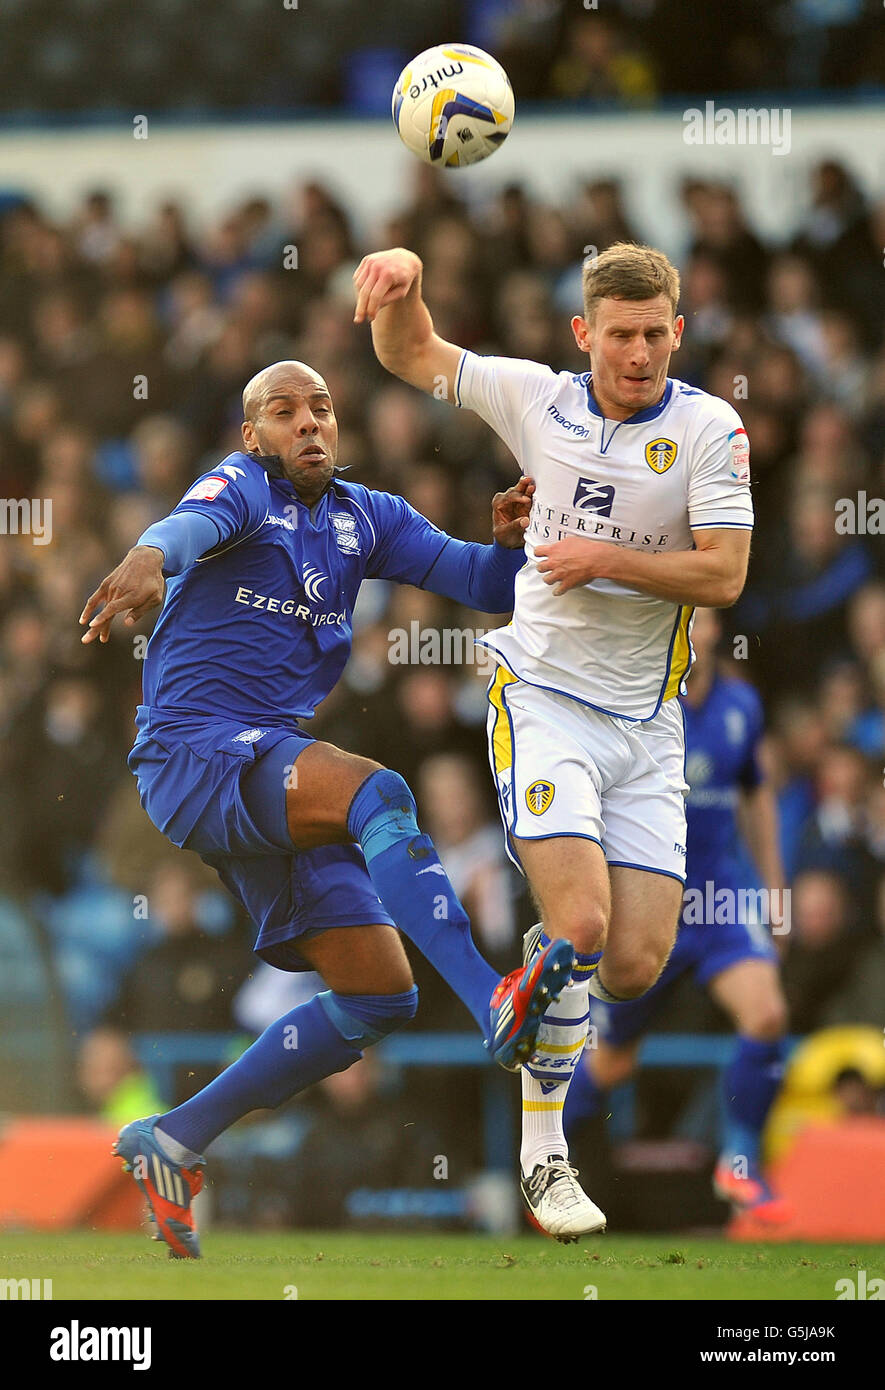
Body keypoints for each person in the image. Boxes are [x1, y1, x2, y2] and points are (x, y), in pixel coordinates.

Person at [80, 358, 574, 1258]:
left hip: (264, 767)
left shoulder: (363, 516)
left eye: (321, 408)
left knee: (378, 995)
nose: (308, 423)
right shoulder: (241, 489)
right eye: (283, 410)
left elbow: (484, 585)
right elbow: (188, 525)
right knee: (375, 790)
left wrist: (509, 544)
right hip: (194, 752)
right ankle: (493, 1002)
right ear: (252, 434)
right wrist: (149, 556)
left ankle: (177, 1136)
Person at [355, 240, 753, 1239]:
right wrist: (404, 280)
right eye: (621, 334)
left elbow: (725, 576)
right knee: (581, 928)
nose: (641, 352)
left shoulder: (710, 428)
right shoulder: (539, 400)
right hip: (541, 699)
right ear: (586, 334)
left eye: (657, 332)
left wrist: (602, 556)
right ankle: (546, 1156)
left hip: (649, 729)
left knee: (632, 962)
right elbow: (417, 356)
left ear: (677, 330)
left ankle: (550, 964)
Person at [563, 608, 792, 1225]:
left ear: (715, 628)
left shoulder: (742, 703)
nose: (696, 630)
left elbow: (757, 795)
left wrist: (775, 894)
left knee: (767, 1014)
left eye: (705, 619)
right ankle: (548, 1158)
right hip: (648, 901)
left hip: (720, 899)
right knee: (612, 1061)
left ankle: (739, 1161)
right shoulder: (632, 702)